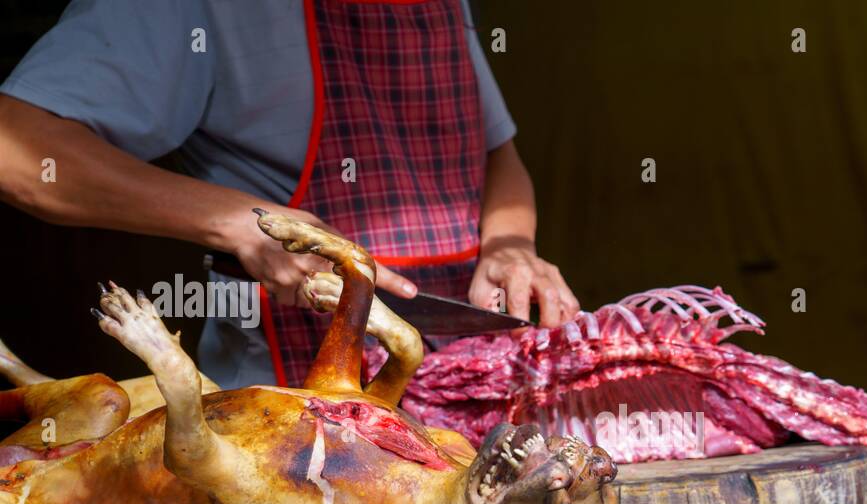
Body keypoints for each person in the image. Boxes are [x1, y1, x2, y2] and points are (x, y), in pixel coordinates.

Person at [0, 0, 578, 389]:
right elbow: (16, 148)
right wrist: (234, 222)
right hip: (289, 423)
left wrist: (509, 242)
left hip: (467, 396)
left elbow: (498, 150)